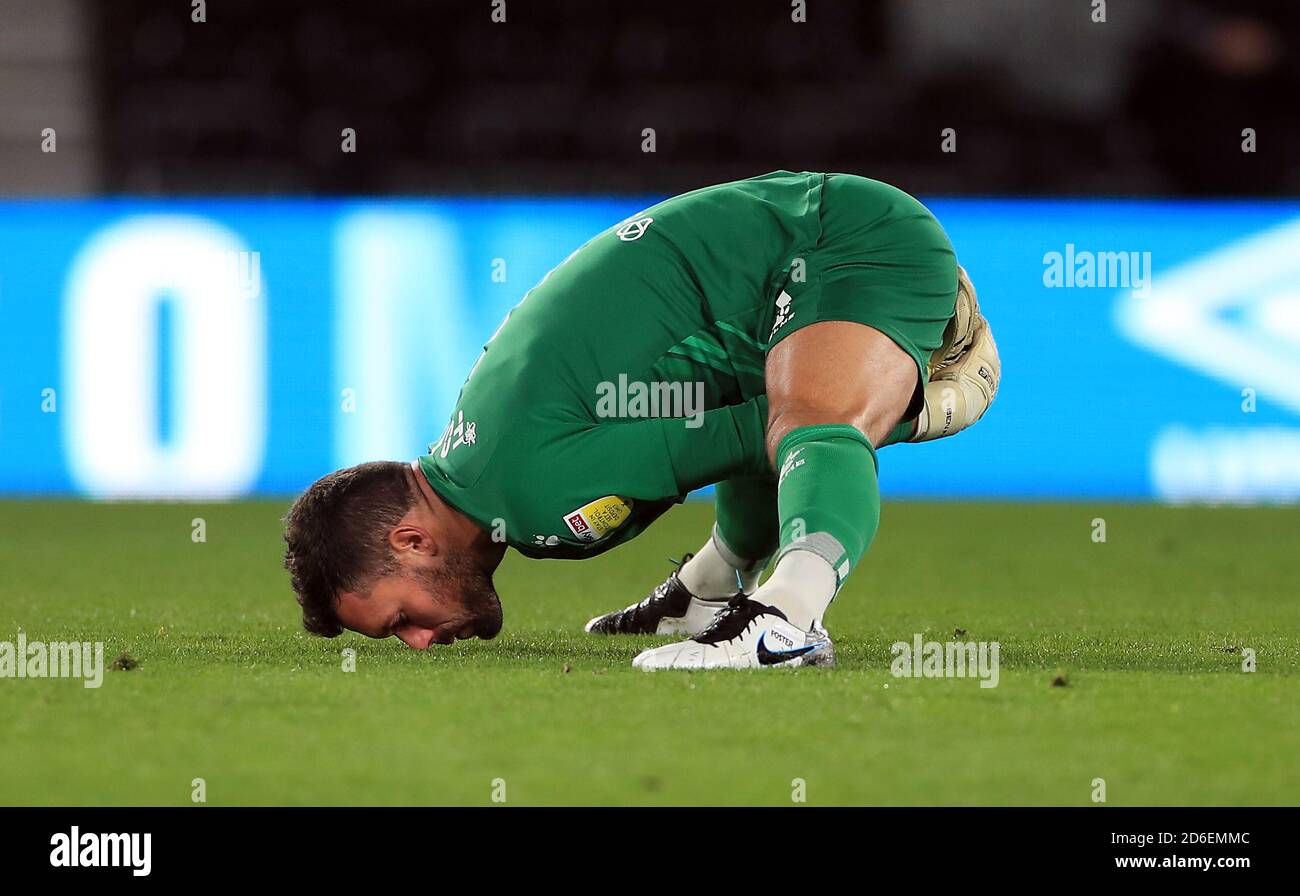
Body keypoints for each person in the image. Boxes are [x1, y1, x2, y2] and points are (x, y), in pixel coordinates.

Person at [282, 171, 1000, 670]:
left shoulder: (528, 496)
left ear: (410, 540)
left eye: (400, 619)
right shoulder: (477, 464)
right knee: (783, 416)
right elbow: (719, 414)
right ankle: (707, 592)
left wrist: (913, 411)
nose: (417, 641)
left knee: (805, 421)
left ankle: (786, 619)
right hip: (787, 254)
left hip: (834, 241)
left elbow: (760, 435)